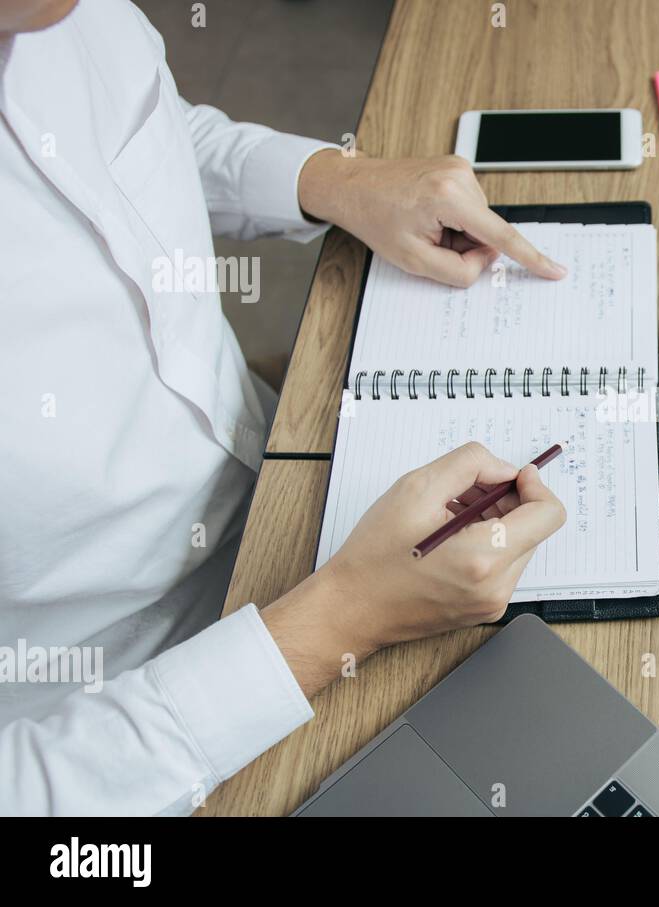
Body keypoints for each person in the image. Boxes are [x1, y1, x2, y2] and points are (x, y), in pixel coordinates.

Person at [0, 0, 566, 814]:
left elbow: (140, 133)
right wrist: (344, 618)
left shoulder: (60, 13)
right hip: (150, 728)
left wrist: (334, 179)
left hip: (277, 465)